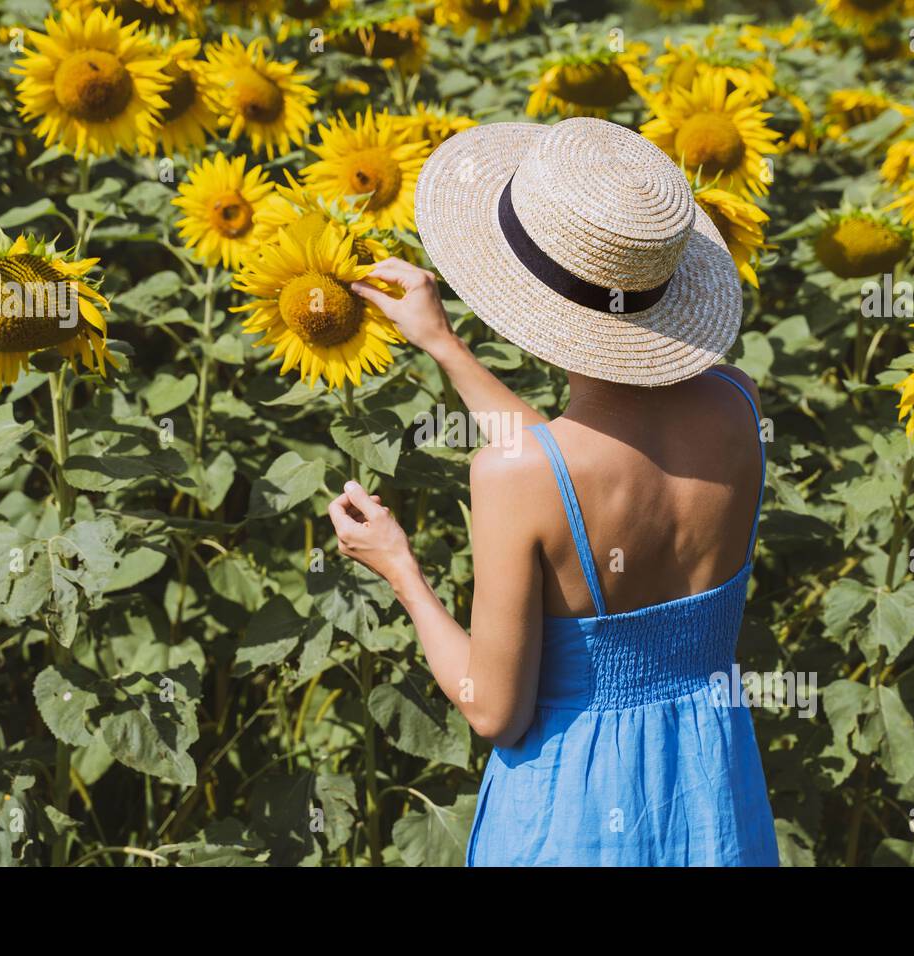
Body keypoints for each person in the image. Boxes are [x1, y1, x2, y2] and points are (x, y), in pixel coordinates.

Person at [325, 117, 779, 866]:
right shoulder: (739, 402)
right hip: (711, 790)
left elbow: (494, 710)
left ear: (528, 307)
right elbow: (582, 461)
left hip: (570, 807)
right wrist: (443, 344)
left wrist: (398, 567)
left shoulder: (517, 476)